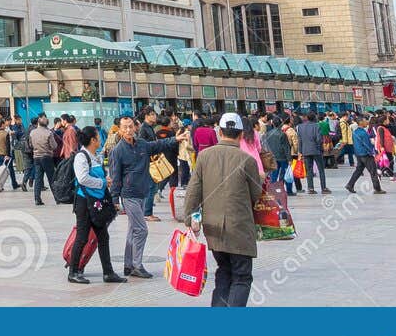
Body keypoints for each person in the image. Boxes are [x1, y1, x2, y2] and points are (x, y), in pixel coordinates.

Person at [179, 112, 266, 307]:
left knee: (223, 272)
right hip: (239, 228)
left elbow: (193, 191)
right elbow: (255, 194)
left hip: (214, 229)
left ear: (219, 131)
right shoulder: (247, 160)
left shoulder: (204, 157)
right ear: (241, 134)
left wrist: (190, 220)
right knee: (242, 276)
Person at [106, 115, 181, 279]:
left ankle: (129, 265)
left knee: (133, 230)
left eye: (130, 126)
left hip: (142, 193)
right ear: (119, 130)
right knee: (141, 230)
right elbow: (115, 178)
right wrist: (114, 201)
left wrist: (176, 139)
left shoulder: (141, 144)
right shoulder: (117, 151)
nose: (128, 130)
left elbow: (158, 144)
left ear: (135, 127)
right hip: (129, 195)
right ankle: (137, 265)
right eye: (125, 127)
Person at [64, 126, 120, 284]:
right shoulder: (81, 157)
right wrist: (103, 182)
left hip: (97, 202)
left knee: (103, 236)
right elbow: (82, 179)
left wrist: (104, 181)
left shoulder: (95, 156)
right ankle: (73, 272)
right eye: (98, 137)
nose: (100, 139)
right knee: (82, 237)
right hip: (84, 203)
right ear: (93, 140)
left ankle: (108, 273)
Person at [344, 116, 385, 194]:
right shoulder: (364, 133)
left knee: (358, 171)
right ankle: (377, 189)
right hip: (366, 154)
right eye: (365, 121)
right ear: (361, 123)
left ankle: (350, 184)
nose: (367, 122)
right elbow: (367, 145)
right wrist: (372, 152)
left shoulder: (355, 132)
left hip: (358, 154)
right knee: (373, 172)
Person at [28, 115, 56, 205]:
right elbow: (54, 146)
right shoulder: (49, 133)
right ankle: (57, 197)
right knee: (51, 179)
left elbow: (30, 145)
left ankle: (37, 199)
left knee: (38, 179)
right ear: (47, 124)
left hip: (36, 158)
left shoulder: (32, 132)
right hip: (47, 157)